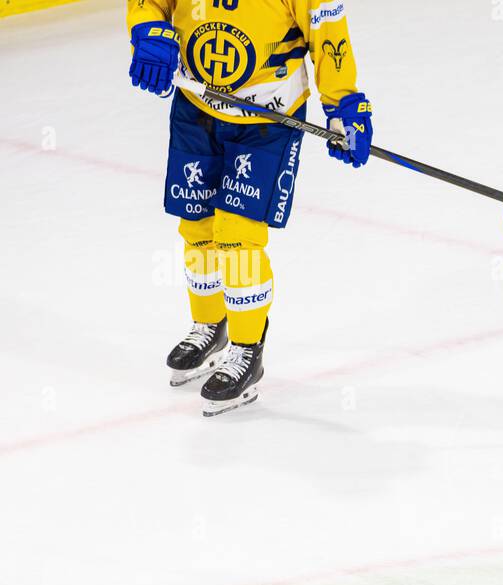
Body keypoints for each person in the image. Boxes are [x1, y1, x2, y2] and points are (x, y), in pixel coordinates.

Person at [126, 0, 374, 416]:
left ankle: (246, 348)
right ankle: (210, 325)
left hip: (268, 116)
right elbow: (149, 4)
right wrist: (148, 31)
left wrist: (343, 104)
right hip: (196, 104)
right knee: (197, 226)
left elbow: (328, 35)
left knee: (238, 238)